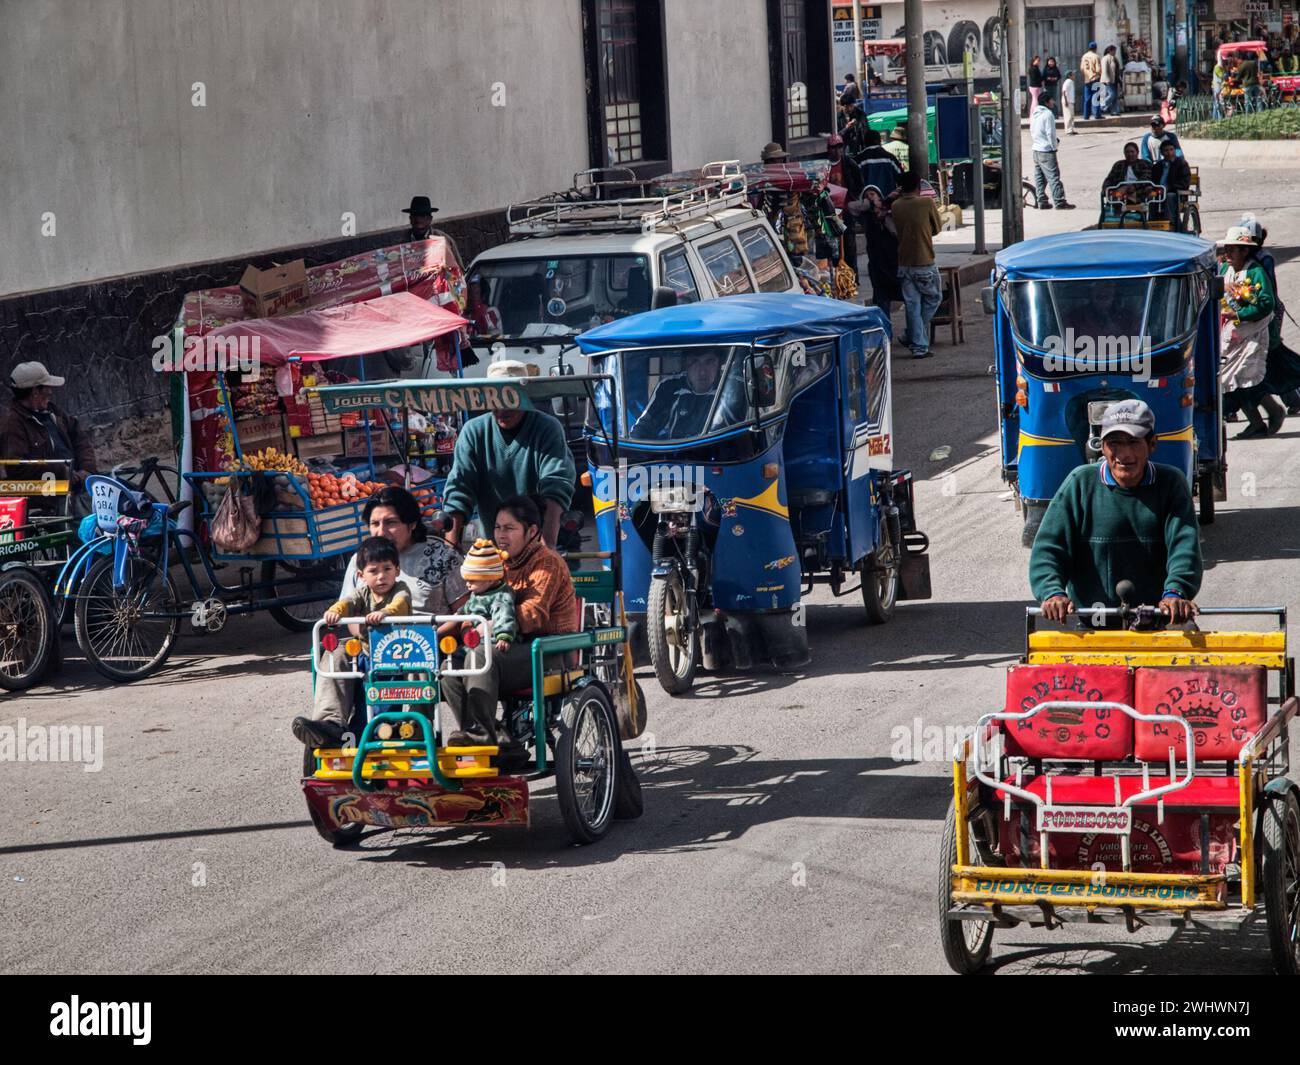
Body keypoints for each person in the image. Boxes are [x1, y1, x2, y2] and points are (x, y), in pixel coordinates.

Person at [292, 487, 469, 747]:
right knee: (336, 653)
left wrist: (426, 638)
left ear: (411, 524)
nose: (381, 531)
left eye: (390, 523)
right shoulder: (360, 559)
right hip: (372, 643)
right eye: (375, 523)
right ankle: (329, 726)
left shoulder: (442, 556)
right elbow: (350, 610)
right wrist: (364, 633)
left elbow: (465, 612)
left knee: (417, 661)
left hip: (428, 646)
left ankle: (412, 729)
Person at [1030, 399, 1201, 625]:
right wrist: (1052, 593)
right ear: (1102, 446)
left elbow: (1184, 548)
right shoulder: (1080, 483)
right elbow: (1050, 548)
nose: (1124, 454)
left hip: (1159, 619)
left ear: (1152, 444)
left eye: (1133, 442)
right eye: (1115, 443)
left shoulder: (1171, 483)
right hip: (1093, 623)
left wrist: (1176, 593)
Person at [441, 495, 578, 747]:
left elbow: (531, 617)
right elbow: (474, 605)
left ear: (532, 531)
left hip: (547, 651)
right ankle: (492, 736)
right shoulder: (498, 563)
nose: (500, 535)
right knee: (450, 666)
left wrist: (486, 626)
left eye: (510, 528)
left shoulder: (547, 562)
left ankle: (483, 735)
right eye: (497, 527)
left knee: (479, 656)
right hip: (508, 649)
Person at [441, 360, 576, 549]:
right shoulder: (473, 431)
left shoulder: (547, 428)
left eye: (510, 399)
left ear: (523, 396)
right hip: (493, 545)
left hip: (540, 539)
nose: (502, 409)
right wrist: (450, 550)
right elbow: (459, 488)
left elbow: (556, 485)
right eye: (496, 399)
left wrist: (547, 550)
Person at [1, 362, 97, 512]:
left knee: (127, 499)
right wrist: (63, 473)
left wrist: (87, 470)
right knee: (93, 521)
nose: (51, 392)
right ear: (35, 392)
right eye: (47, 387)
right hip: (51, 497)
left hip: (80, 483)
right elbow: (18, 468)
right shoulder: (12, 425)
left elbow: (80, 439)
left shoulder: (53, 411)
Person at [1218, 225, 1286, 439]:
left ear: (1244, 251)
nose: (1227, 254)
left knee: (1244, 377)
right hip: (1231, 337)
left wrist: (1239, 314)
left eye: (1232, 249)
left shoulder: (1255, 272)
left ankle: (1272, 411)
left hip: (1253, 335)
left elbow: (1266, 304)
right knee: (1230, 381)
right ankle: (1257, 421)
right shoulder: (1224, 271)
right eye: (1226, 249)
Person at [1241, 214, 1300, 414]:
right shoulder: (1245, 261)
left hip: (1269, 314)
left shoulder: (1260, 262)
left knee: (1271, 357)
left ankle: (1291, 400)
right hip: (1259, 317)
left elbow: (1267, 294)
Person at [891, 170, 943, 360]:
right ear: (919, 187)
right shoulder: (926, 203)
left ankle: (917, 344)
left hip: (904, 262)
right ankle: (913, 337)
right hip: (924, 261)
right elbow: (937, 228)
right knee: (934, 298)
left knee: (912, 305)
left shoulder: (896, 206)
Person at [633, 349, 740, 439]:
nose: (702, 372)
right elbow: (644, 427)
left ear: (719, 364)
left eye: (709, 362)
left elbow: (747, 434)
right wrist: (628, 456)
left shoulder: (734, 388)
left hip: (721, 458)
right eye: (694, 362)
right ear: (685, 365)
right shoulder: (669, 386)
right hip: (677, 458)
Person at [440, 538, 517, 658]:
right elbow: (463, 611)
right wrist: (440, 628)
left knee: (473, 655)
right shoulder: (477, 593)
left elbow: (504, 616)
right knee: (449, 658)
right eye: (466, 580)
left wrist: (503, 637)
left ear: (490, 578)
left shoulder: (501, 596)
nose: (467, 584)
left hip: (492, 640)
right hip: (474, 640)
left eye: (472, 580)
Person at [323, 537, 412, 628]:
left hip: (401, 640)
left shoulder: (401, 589)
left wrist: (384, 613)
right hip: (370, 641)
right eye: (373, 571)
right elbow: (349, 602)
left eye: (387, 569)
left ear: (397, 570)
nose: (381, 576)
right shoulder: (362, 593)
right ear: (361, 576)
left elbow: (400, 603)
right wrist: (334, 612)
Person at [854, 185, 903, 317]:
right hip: (877, 266)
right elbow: (852, 207)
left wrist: (884, 213)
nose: (870, 197)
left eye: (873, 194)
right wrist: (869, 203)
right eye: (867, 195)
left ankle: (912, 333)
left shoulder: (891, 213)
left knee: (907, 298)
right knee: (882, 302)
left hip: (894, 264)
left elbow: (896, 233)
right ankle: (887, 334)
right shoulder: (866, 217)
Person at [1030, 90, 1075, 211]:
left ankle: (1042, 201)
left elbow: (1032, 131)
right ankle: (1060, 201)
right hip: (1046, 150)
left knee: (1040, 177)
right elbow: (1050, 133)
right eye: (1051, 100)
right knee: (1053, 177)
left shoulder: (1035, 114)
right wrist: (1054, 146)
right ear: (1046, 102)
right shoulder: (1048, 114)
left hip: (1036, 149)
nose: (1053, 102)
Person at [1150, 140, 1191, 231]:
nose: (1169, 153)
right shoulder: (1157, 166)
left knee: (1169, 196)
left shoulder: (1182, 164)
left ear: (1174, 151)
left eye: (1171, 150)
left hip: (1176, 193)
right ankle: (1151, 223)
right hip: (1159, 193)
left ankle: (1171, 223)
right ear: (1162, 152)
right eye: (1166, 150)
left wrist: (1170, 187)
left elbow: (1185, 183)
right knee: (1151, 199)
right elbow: (1152, 181)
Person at [1102, 142, 1154, 212]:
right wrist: (1106, 189)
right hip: (1121, 192)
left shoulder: (1144, 164)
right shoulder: (1118, 165)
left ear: (1137, 152)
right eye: (1127, 152)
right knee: (1115, 195)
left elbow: (1147, 177)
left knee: (1150, 193)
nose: (1130, 154)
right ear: (1124, 153)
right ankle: (1113, 217)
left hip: (1139, 191)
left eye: (1132, 152)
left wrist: (1133, 186)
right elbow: (1109, 179)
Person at [1081, 41, 1102, 119]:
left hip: (1087, 79)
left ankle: (1086, 115)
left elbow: (1082, 68)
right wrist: (1099, 75)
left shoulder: (1084, 56)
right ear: (1095, 48)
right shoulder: (1096, 56)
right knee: (1096, 97)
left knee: (1087, 98)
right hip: (1095, 78)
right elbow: (1098, 69)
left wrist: (1087, 75)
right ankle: (1097, 114)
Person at [1101, 45, 1120, 116]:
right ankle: (1102, 105)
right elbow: (1104, 70)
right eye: (1114, 50)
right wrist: (1107, 80)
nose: (1115, 52)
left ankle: (1114, 111)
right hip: (1108, 80)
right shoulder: (1105, 58)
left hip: (1114, 80)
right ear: (1110, 51)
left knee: (1115, 96)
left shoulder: (1114, 58)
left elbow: (1116, 70)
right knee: (1112, 94)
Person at [1061, 69, 1078, 134]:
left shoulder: (1071, 82)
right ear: (1069, 76)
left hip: (1070, 101)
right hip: (1067, 101)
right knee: (1068, 116)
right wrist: (1065, 101)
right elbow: (1064, 91)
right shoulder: (1068, 82)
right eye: (1073, 75)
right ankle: (1068, 130)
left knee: (1071, 116)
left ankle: (1071, 129)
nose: (1074, 76)